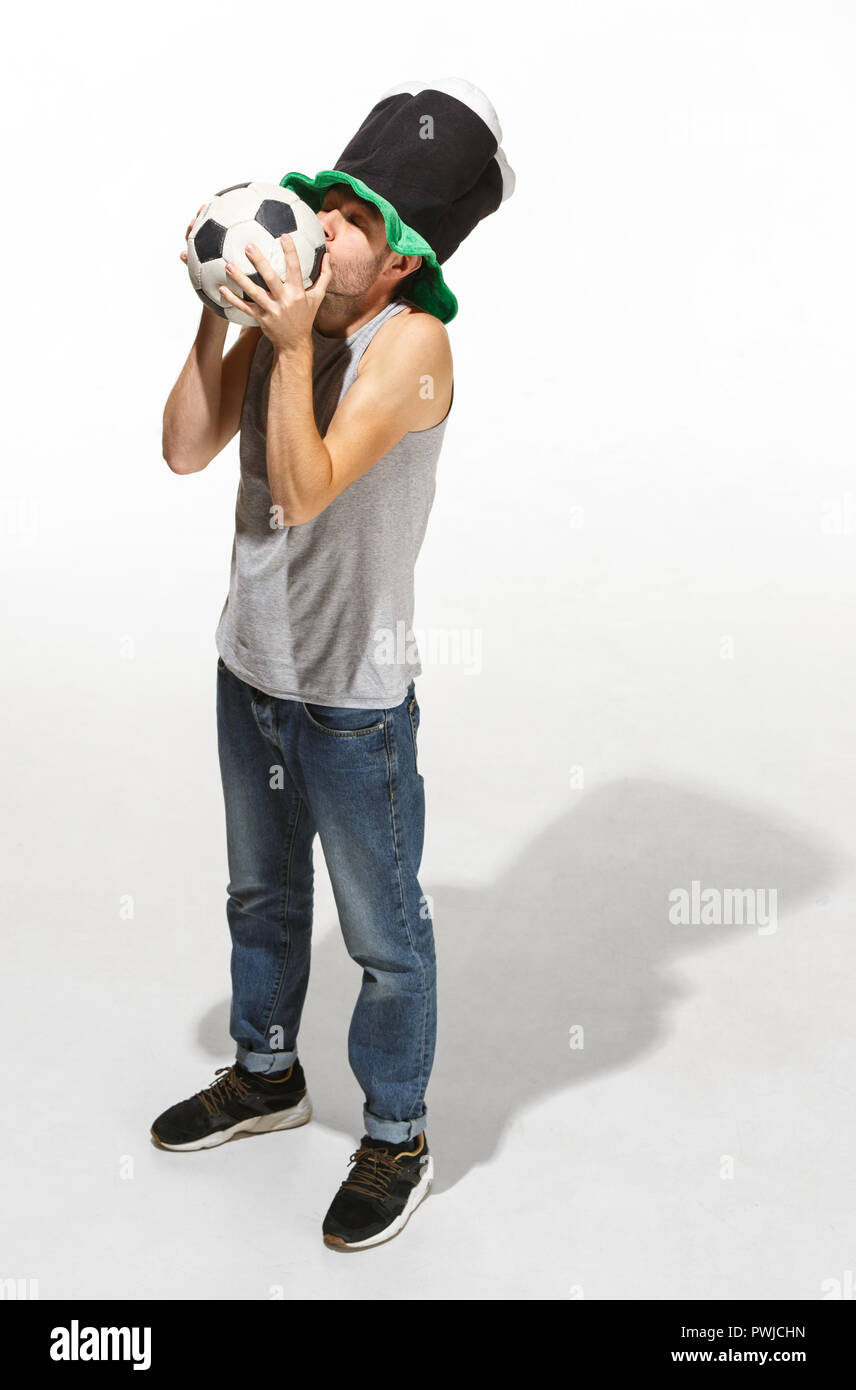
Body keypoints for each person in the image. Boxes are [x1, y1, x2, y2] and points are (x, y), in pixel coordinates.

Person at [152, 77, 515, 1251]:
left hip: (351, 707)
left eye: (354, 218)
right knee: (260, 900)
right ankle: (266, 1075)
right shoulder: (285, 309)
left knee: (383, 935)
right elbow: (184, 449)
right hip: (248, 671)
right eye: (327, 200)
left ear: (403, 257)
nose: (322, 225)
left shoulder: (413, 347)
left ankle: (398, 1133)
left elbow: (304, 490)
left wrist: (292, 342)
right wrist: (217, 313)